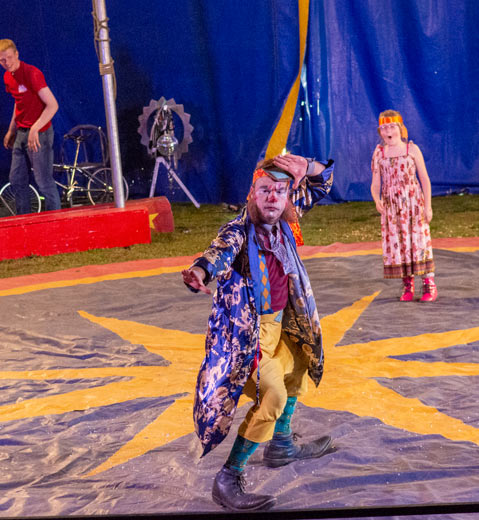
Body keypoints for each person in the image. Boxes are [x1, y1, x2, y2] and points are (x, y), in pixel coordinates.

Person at [182, 153, 336, 511]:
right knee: (273, 397)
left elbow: (323, 180)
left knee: (299, 366)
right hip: (248, 341)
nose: (272, 197)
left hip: (282, 326)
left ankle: (281, 443)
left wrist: (307, 165)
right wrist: (199, 273)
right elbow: (216, 254)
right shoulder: (237, 232)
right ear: (252, 193)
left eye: (280, 191)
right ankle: (228, 476)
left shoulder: (286, 216)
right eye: (265, 190)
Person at [370, 109, 437, 301]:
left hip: (413, 203)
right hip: (392, 207)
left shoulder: (412, 150)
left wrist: (428, 206)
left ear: (400, 128)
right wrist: (377, 200)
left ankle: (428, 285)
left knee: (418, 241)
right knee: (399, 243)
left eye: (391, 127)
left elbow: (424, 179)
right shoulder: (379, 153)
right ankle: (407, 285)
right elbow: (375, 184)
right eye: (384, 128)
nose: (388, 131)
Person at [0, 39, 61, 214]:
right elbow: (19, 102)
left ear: (17, 54)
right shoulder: (8, 77)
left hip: (40, 133)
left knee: (43, 181)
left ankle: (55, 222)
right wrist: (11, 130)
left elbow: (53, 105)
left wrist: (36, 128)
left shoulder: (32, 73)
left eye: (9, 57)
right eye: (2, 60)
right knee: (16, 179)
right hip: (22, 132)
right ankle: (24, 221)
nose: (7, 63)